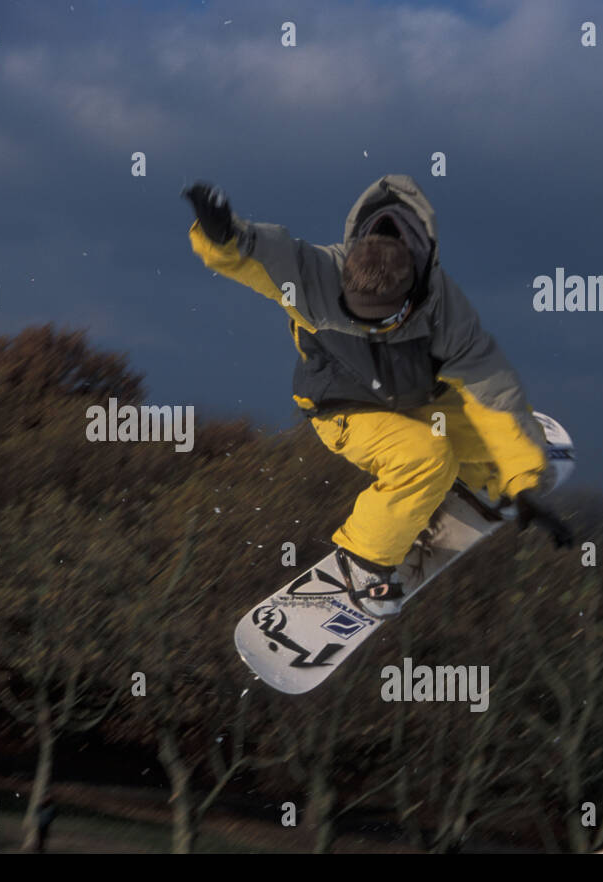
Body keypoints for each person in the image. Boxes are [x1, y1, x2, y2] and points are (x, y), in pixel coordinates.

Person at [184, 174, 571, 617]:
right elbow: (254, 251)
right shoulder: (315, 275)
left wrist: (521, 484)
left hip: (416, 397)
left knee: (500, 443)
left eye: (382, 320)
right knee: (427, 456)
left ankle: (480, 481)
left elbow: (492, 392)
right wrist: (221, 233)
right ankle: (364, 562)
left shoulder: (445, 308)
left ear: (409, 297)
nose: (367, 326)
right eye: (355, 315)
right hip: (343, 406)